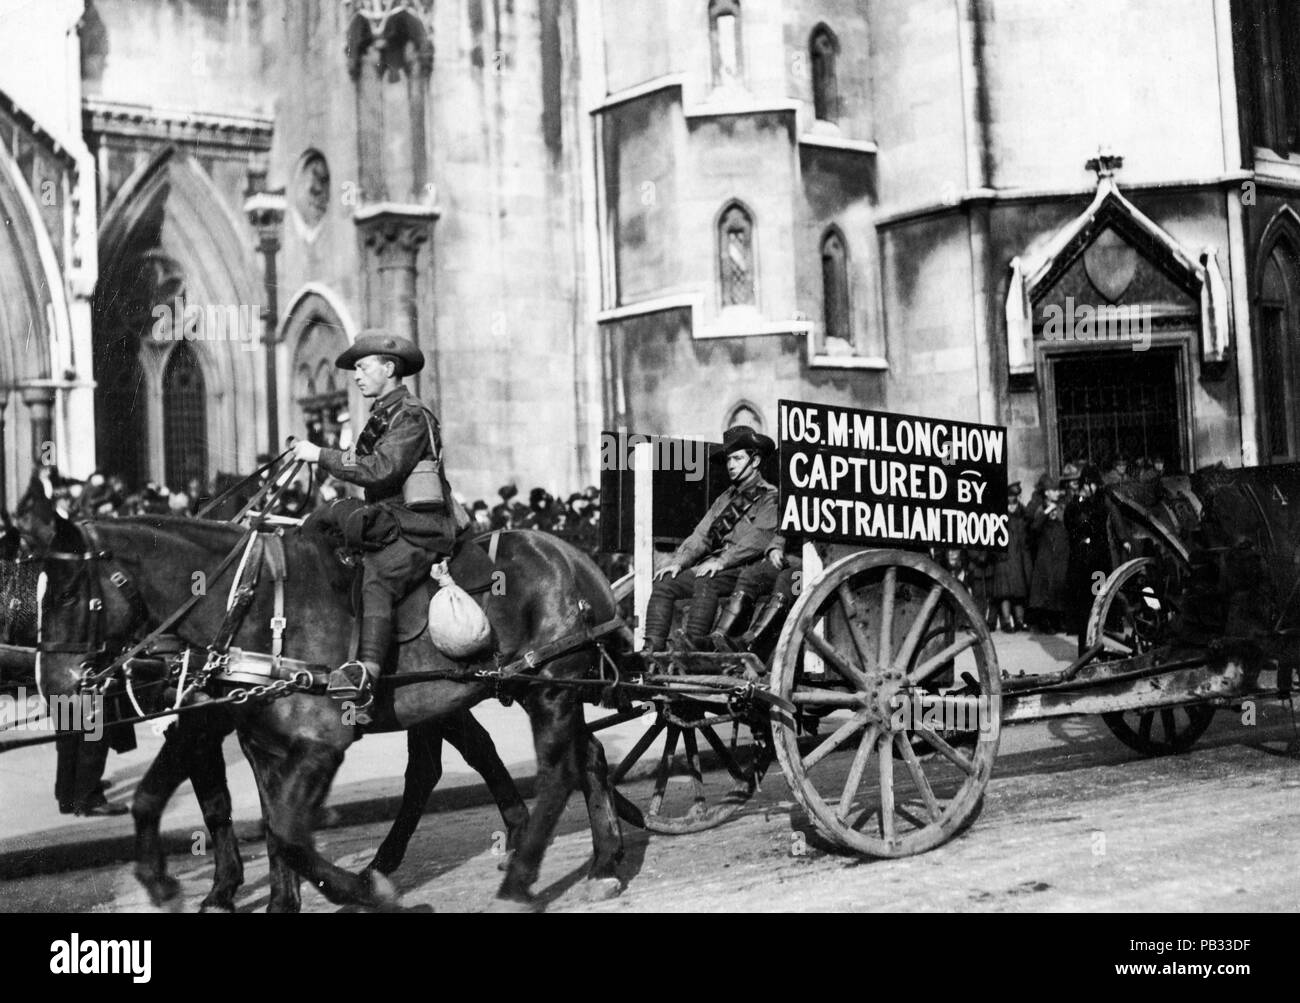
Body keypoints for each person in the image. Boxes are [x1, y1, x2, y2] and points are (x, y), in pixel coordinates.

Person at [292, 330, 461, 723]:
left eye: (363, 366)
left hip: (421, 526)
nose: (356, 375)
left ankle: (365, 675)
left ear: (389, 367)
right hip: (394, 521)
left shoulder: (411, 415)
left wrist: (320, 454)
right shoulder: (383, 415)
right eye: (355, 369)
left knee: (378, 576)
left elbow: (381, 468)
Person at [640, 426, 778, 655]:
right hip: (718, 569)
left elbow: (760, 538)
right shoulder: (726, 498)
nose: (731, 465)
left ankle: (694, 648)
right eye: (728, 460)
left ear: (754, 462)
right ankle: (651, 651)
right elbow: (702, 535)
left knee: (706, 579)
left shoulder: (770, 497)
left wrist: (722, 562)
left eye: (738, 458)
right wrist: (680, 562)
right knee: (665, 583)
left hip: (746, 571)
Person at [710, 531, 800, 652]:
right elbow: (786, 526)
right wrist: (775, 548)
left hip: (817, 562)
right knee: (751, 575)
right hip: (792, 559)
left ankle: (750, 643)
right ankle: (719, 638)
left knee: (786, 579)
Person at [1063, 463, 1112, 653]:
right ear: (1086, 483)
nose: (1096, 489)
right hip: (1082, 564)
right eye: (1093, 485)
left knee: (1098, 603)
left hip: (1098, 564)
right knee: (1084, 609)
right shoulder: (1074, 505)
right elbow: (1075, 527)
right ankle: (1085, 650)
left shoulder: (1098, 503)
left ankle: (1097, 646)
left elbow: (1099, 520)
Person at [1028, 480, 1069, 633]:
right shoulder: (1040, 507)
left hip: (1061, 552)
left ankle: (1058, 620)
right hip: (1046, 554)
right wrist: (1046, 512)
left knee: (1059, 586)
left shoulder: (1062, 507)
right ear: (1046, 493)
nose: (1057, 493)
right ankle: (1046, 622)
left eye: (1058, 490)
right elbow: (1034, 527)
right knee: (1045, 588)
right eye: (1054, 490)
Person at [991, 482, 1032, 631]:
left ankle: (1020, 621)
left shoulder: (1022, 515)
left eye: (1015, 499)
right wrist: (998, 553)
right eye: (1010, 499)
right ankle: (1007, 622)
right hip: (1004, 558)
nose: (1012, 502)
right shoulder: (999, 516)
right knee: (1005, 594)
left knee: (1018, 594)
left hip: (1018, 558)